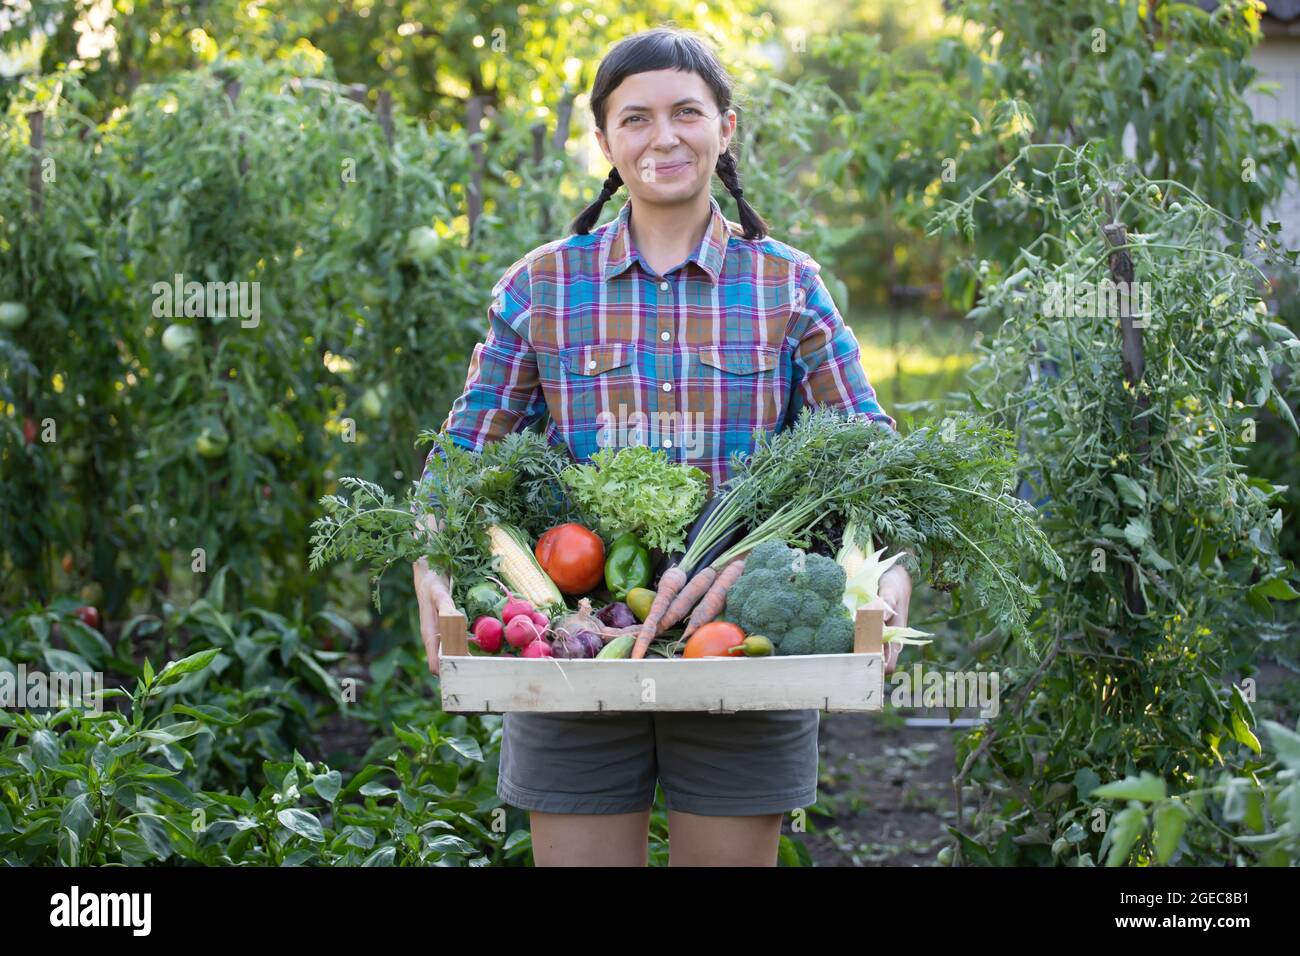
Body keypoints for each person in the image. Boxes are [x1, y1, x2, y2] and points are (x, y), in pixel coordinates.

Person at [412, 27, 914, 866]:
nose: (664, 136)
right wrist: (430, 561)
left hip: (743, 645)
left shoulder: (787, 285)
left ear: (726, 127)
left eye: (687, 111)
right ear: (605, 140)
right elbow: (462, 456)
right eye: (635, 118)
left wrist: (890, 571)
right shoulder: (543, 286)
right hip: (575, 638)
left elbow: (872, 451)